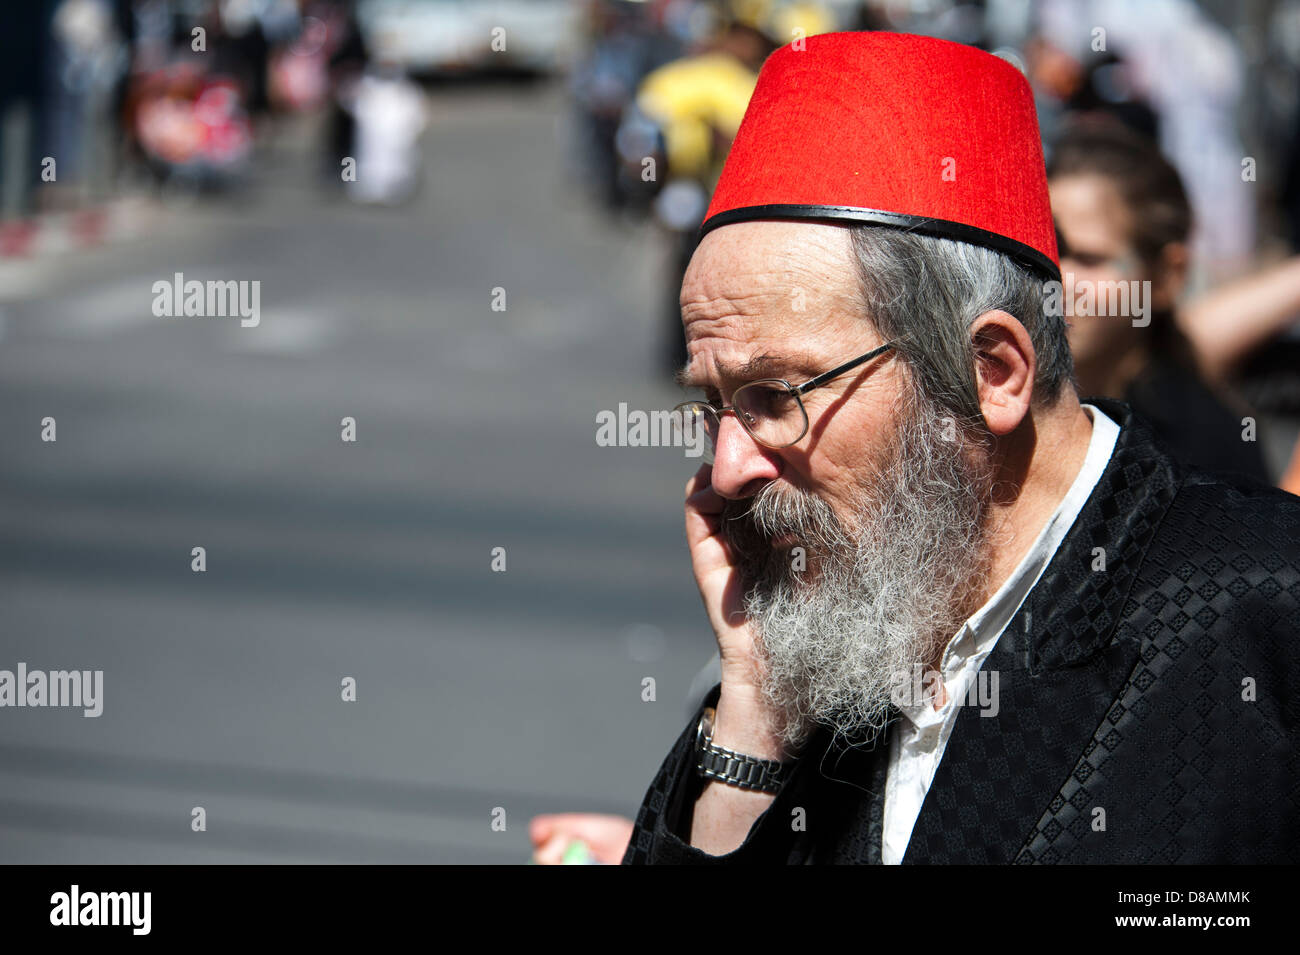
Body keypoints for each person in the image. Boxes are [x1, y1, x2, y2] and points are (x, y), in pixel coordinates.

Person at [621, 31, 1300, 864]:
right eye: (714, 405)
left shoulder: (1262, 607)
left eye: (779, 396)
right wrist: (758, 711)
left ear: (992, 373)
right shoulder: (846, 638)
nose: (728, 470)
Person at [1047, 119, 1270, 484]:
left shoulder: (1207, 455)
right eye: (1048, 249)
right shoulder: (995, 404)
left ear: (1167, 276)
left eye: (1089, 259)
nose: (1057, 279)